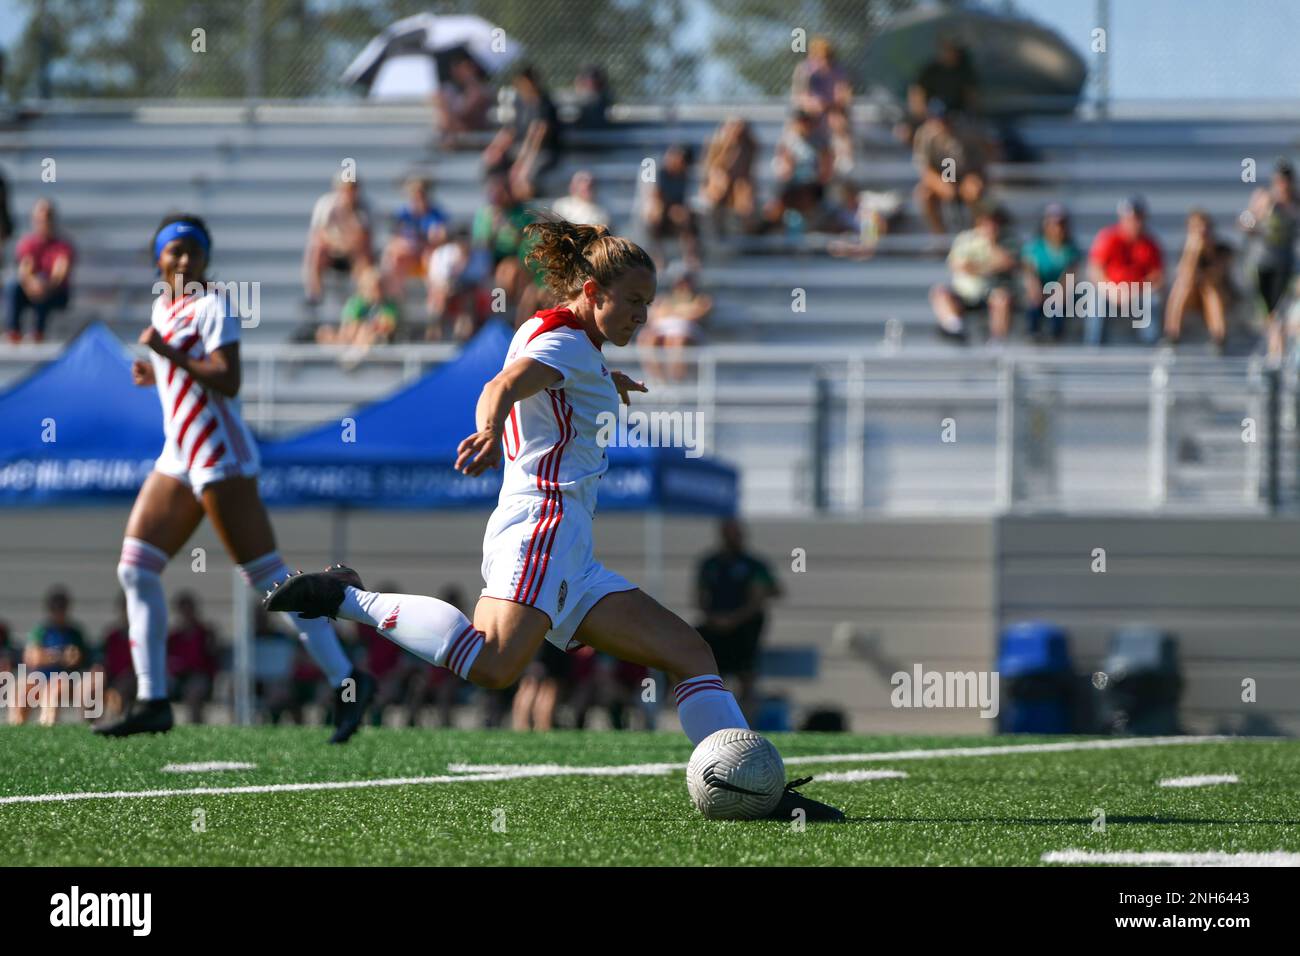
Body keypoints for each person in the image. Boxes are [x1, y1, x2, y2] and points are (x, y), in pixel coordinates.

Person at [265, 219, 843, 821]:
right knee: (492, 664)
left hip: (565, 544)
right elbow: (504, 383)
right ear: (593, 291)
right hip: (543, 526)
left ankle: (758, 792)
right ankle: (348, 598)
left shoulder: (566, 341)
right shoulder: (565, 343)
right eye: (635, 301)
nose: (643, 316)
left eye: (649, 303)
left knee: (690, 652)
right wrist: (488, 428)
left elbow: (549, 380)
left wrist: (603, 379)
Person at [93, 214, 374, 741]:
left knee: (270, 581)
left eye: (191, 251)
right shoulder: (164, 306)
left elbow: (228, 377)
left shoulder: (213, 305)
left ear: (205, 258)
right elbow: (184, 372)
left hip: (219, 457)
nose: (182, 260)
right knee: (135, 568)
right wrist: (156, 371)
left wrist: (167, 354)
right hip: (179, 455)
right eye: (173, 251)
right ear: (158, 258)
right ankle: (153, 700)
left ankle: (347, 677)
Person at [695, 520, 780, 724]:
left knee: (746, 676)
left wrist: (734, 619)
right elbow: (699, 596)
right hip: (715, 628)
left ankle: (746, 723)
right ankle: (716, 722)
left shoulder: (754, 565)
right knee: (711, 673)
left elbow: (766, 592)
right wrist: (715, 618)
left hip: (744, 629)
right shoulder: (710, 564)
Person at [1086, 196, 1165, 346]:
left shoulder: (1150, 243)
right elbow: (1095, 270)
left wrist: (1137, 291)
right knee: (1095, 300)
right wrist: (1111, 290)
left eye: (1137, 218)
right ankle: (1093, 349)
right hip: (1111, 291)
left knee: (1151, 301)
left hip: (1139, 293)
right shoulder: (1108, 237)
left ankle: (1150, 350)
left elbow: (1158, 277)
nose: (1134, 223)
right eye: (1130, 218)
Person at [930, 206, 1016, 342]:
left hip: (990, 293)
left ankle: (997, 341)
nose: (990, 227)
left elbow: (1007, 263)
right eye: (986, 223)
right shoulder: (965, 239)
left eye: (994, 223)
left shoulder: (1007, 240)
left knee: (1002, 298)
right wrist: (989, 267)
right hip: (964, 293)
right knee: (940, 292)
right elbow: (960, 266)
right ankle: (955, 328)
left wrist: (991, 244)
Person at [1240, 160, 1297, 359]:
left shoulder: (1295, 202)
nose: (1283, 185)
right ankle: (1271, 353)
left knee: (1279, 311)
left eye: (1286, 180)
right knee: (1268, 313)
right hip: (1262, 263)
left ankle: (1276, 355)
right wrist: (1259, 214)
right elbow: (1245, 223)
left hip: (1285, 264)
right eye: (1280, 180)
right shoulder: (1264, 197)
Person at [482, 65, 562, 201]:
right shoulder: (519, 101)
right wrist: (494, 148)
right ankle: (498, 202)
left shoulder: (544, 104)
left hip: (541, 152)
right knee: (493, 165)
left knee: (525, 176)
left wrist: (523, 163)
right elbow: (510, 129)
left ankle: (527, 211)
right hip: (520, 149)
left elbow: (537, 137)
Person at [912, 99, 987, 236]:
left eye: (944, 118)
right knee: (924, 194)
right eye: (937, 119)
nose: (941, 123)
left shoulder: (966, 133)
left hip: (965, 176)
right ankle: (940, 237)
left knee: (974, 189)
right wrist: (943, 184)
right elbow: (924, 169)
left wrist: (965, 182)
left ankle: (976, 234)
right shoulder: (924, 134)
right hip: (940, 178)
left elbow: (979, 165)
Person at [6, 198, 74, 343]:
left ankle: (38, 332)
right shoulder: (28, 243)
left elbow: (59, 275)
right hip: (34, 290)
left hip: (55, 293)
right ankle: (14, 331)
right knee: (13, 286)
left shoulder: (62, 246)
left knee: (43, 281)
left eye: (47, 218)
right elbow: (25, 270)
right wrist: (33, 285)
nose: (44, 223)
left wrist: (43, 286)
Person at [1165, 209, 1232, 352]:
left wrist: (1208, 250)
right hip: (1192, 296)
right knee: (1182, 287)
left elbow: (1217, 277)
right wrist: (1193, 251)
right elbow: (1185, 276)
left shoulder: (1223, 250)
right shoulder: (1186, 250)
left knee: (1210, 289)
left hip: (1220, 295)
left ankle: (1219, 336)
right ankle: (1172, 334)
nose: (1201, 233)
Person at [303, 174, 373, 310]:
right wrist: (338, 244)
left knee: (364, 256)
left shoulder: (363, 208)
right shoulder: (326, 205)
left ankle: (364, 297)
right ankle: (315, 294)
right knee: (317, 250)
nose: (348, 194)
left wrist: (349, 214)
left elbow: (364, 237)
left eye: (352, 189)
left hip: (353, 250)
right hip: (332, 250)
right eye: (345, 189)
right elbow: (318, 234)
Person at [19, 586, 86, 726]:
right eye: (55, 608)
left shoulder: (74, 633)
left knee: (53, 690)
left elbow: (77, 659)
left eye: (62, 608)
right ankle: (17, 727)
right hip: (39, 678)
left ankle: (47, 727)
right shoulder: (41, 631)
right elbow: (32, 658)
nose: (58, 612)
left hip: (66, 680)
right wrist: (60, 657)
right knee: (21, 691)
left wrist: (48, 656)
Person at [380, 175, 448, 301]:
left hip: (425, 253)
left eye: (421, 194)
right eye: (415, 195)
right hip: (408, 254)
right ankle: (394, 298)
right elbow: (393, 238)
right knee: (394, 256)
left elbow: (440, 237)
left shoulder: (436, 214)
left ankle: (434, 300)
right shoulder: (402, 214)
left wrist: (428, 240)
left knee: (432, 258)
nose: (418, 199)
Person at [1021, 203, 1082, 341]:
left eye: (1061, 224)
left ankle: (1056, 335)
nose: (1058, 229)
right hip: (1038, 294)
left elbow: (1069, 278)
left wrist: (1055, 295)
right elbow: (1029, 273)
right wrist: (1037, 291)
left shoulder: (1071, 251)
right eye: (1054, 224)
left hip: (1060, 296)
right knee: (1033, 300)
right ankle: (1033, 332)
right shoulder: (1034, 247)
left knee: (1058, 304)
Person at [640, 265, 711, 382]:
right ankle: (661, 381)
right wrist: (685, 310)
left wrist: (670, 311)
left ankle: (677, 380)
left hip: (690, 334)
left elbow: (699, 313)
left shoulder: (702, 298)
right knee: (651, 340)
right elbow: (653, 316)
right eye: (679, 282)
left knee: (678, 341)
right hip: (664, 331)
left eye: (685, 281)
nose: (682, 285)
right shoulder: (664, 299)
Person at [641, 143, 701, 268]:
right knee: (655, 213)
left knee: (688, 217)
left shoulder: (684, 175)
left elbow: (688, 201)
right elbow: (652, 198)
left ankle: (690, 256)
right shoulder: (654, 169)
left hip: (674, 214)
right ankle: (657, 256)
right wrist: (670, 208)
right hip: (656, 213)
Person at [166, 591, 219, 725]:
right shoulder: (173, 638)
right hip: (177, 678)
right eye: (183, 611)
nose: (186, 615)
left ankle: (195, 726)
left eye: (189, 610)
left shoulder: (206, 633)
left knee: (194, 690)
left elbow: (212, 657)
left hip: (199, 676)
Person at [317, 265, 400, 350]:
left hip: (378, 341)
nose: (375, 290)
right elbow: (348, 329)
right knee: (324, 332)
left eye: (377, 286)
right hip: (354, 340)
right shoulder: (355, 303)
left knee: (366, 332)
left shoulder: (389, 305)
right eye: (370, 287)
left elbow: (386, 327)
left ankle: (351, 354)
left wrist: (369, 328)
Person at [701, 117, 758, 236]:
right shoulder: (717, 144)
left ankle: (743, 232)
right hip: (719, 184)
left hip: (737, 186)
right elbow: (713, 167)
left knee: (743, 188)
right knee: (720, 179)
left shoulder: (748, 146)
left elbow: (744, 171)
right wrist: (727, 145)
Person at [433, 52, 494, 147]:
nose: (455, 72)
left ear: (472, 68)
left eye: (460, 67)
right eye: (454, 68)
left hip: (475, 139)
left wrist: (443, 106)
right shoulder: (449, 89)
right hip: (452, 141)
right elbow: (444, 123)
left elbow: (465, 115)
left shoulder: (481, 91)